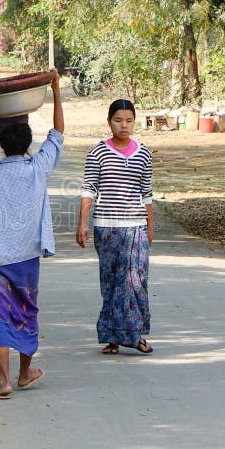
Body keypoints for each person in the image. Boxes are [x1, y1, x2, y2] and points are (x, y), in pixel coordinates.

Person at [0, 72, 64, 399]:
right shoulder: (38, 168)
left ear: (1, 143)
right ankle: (24, 373)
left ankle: (4, 380)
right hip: (25, 258)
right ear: (28, 141)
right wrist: (56, 91)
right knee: (25, 312)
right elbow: (58, 133)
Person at [77, 99, 155, 356]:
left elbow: (147, 193)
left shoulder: (143, 153)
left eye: (129, 121)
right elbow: (89, 189)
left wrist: (150, 226)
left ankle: (137, 335)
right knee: (111, 283)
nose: (124, 125)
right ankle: (112, 338)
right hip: (107, 228)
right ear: (109, 122)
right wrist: (82, 223)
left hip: (136, 227)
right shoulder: (97, 153)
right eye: (118, 120)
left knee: (136, 281)